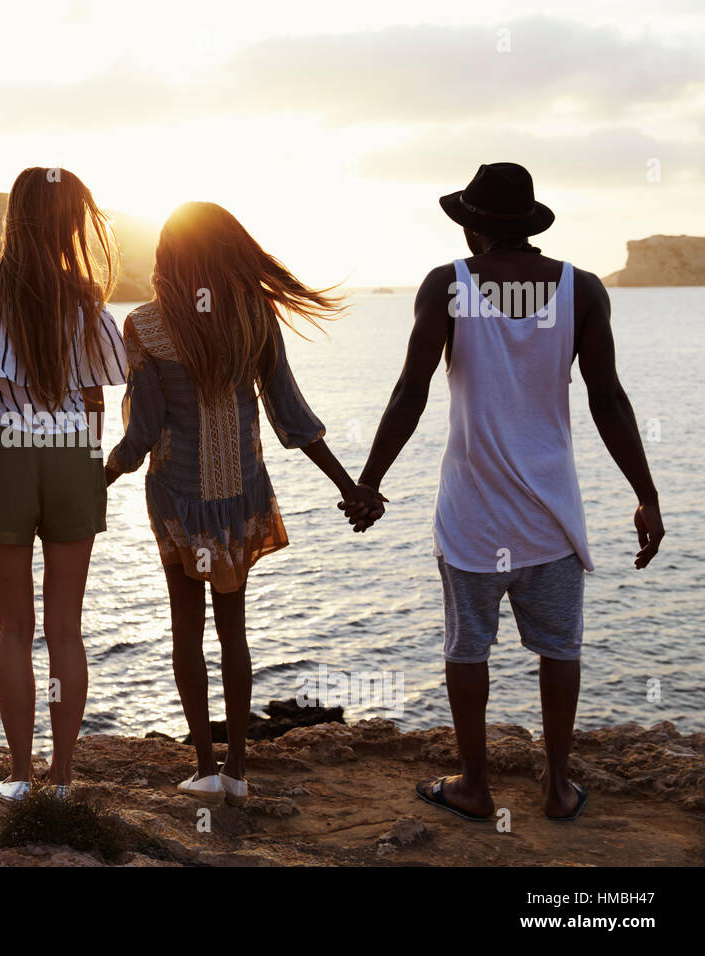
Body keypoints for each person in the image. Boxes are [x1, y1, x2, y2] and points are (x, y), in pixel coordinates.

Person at [344, 162, 664, 822]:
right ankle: (555, 790)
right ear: (526, 226)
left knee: (467, 650)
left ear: (475, 230)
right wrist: (647, 495)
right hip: (552, 516)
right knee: (560, 651)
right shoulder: (583, 290)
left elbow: (411, 391)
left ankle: (475, 786)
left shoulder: (448, 288)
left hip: (471, 519)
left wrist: (370, 482)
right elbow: (608, 398)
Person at [105, 201, 373, 806]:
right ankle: (239, 770)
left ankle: (203, 767)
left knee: (185, 633)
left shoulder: (145, 325)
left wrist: (96, 479)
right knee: (235, 632)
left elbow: (142, 432)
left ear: (167, 255)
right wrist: (347, 486)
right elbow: (292, 416)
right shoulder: (255, 315)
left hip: (177, 496)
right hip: (239, 498)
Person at [0, 167, 127, 803]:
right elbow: (94, 397)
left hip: (4, 452)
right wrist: (89, 462)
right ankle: (63, 778)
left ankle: (20, 775)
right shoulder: (84, 297)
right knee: (67, 629)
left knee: (13, 628)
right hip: (72, 452)